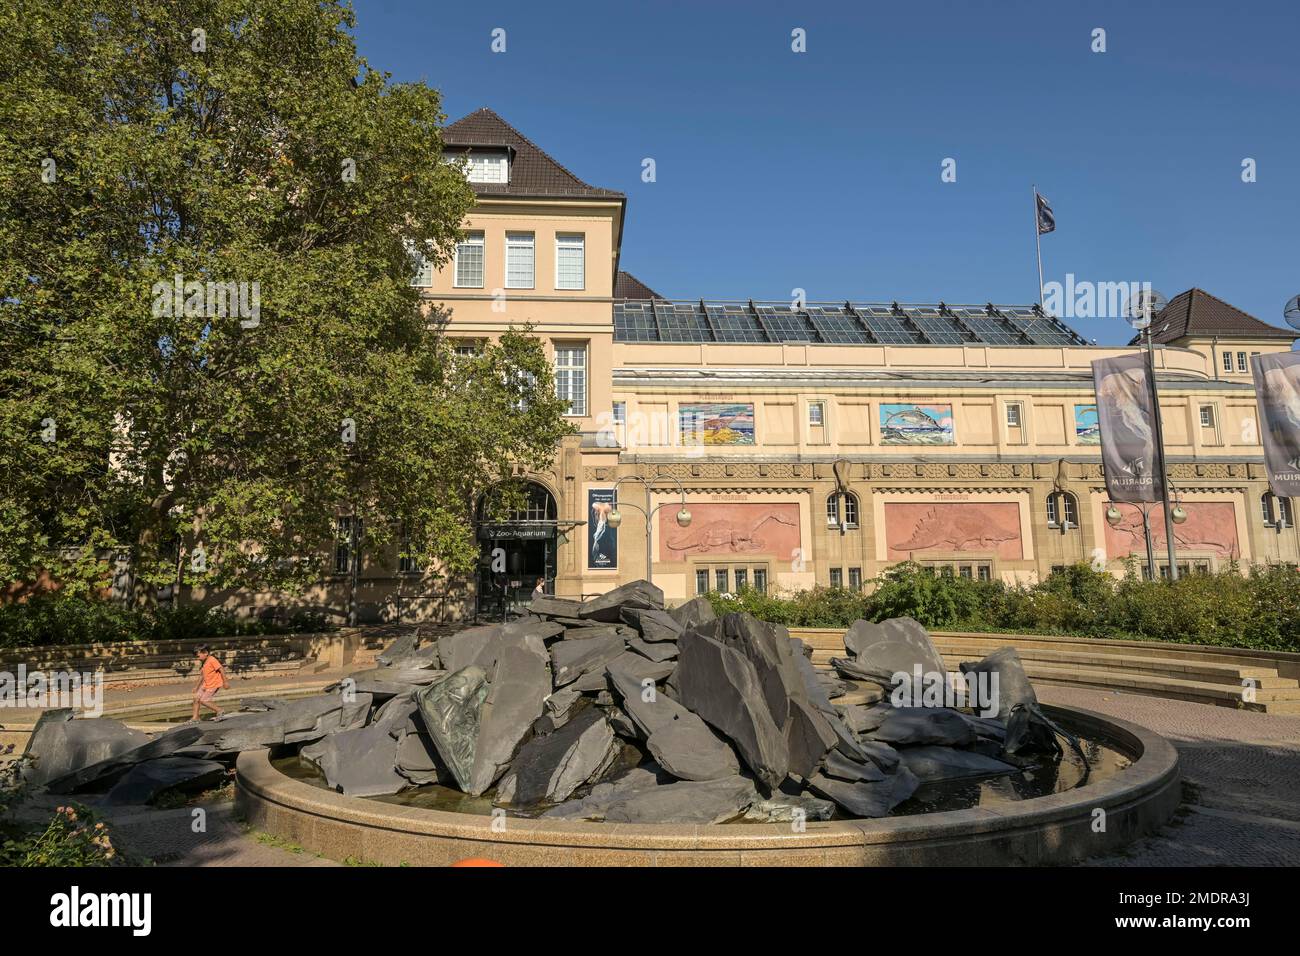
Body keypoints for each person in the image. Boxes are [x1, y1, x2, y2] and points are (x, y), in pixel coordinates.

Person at [192, 645, 230, 721]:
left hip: (213, 684)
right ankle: (195, 718)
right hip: (205, 684)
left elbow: (221, 669)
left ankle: (219, 710)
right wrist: (196, 687)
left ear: (205, 653)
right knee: (196, 699)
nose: (198, 658)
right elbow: (202, 675)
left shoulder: (212, 660)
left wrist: (225, 682)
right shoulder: (204, 662)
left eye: (198, 656)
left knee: (204, 700)